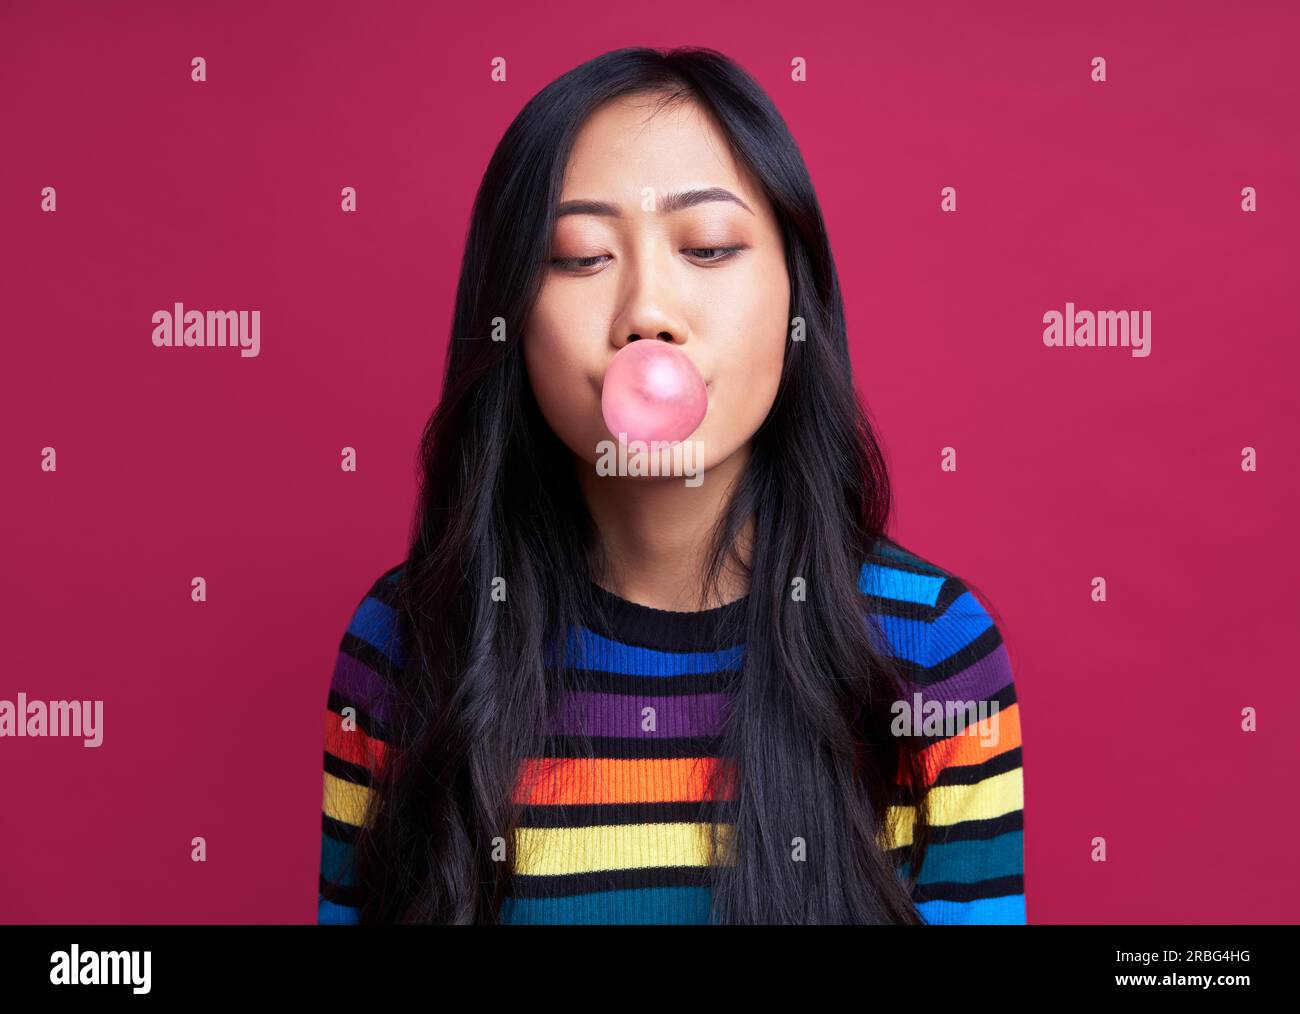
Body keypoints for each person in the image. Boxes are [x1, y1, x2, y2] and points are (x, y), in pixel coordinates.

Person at [317, 45, 1024, 925]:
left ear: (798, 300)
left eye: (711, 247)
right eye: (580, 257)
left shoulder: (929, 653)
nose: (648, 313)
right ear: (509, 316)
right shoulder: (407, 643)